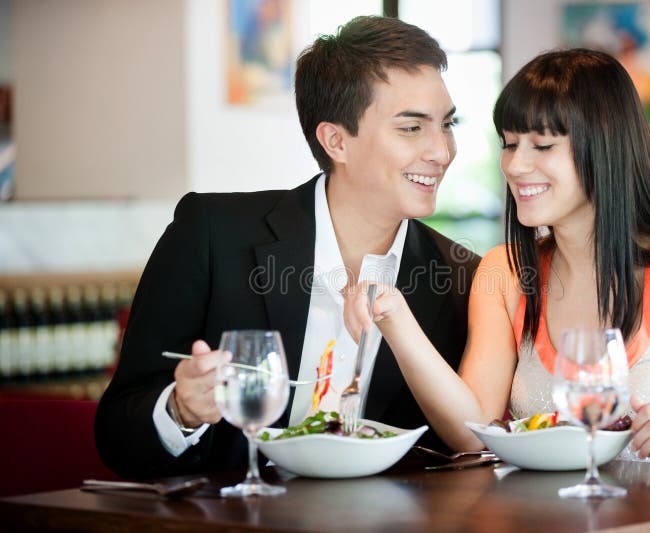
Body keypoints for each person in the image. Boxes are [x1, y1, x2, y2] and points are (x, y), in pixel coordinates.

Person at [345, 48, 650, 470]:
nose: (515, 166)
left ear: (606, 149)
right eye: (511, 144)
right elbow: (472, 431)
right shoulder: (506, 273)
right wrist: (394, 320)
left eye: (543, 145)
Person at [95, 15, 480, 479]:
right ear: (336, 140)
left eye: (448, 124)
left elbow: (467, 450)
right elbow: (117, 433)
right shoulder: (212, 235)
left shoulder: (462, 278)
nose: (442, 151)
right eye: (412, 128)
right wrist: (181, 410)